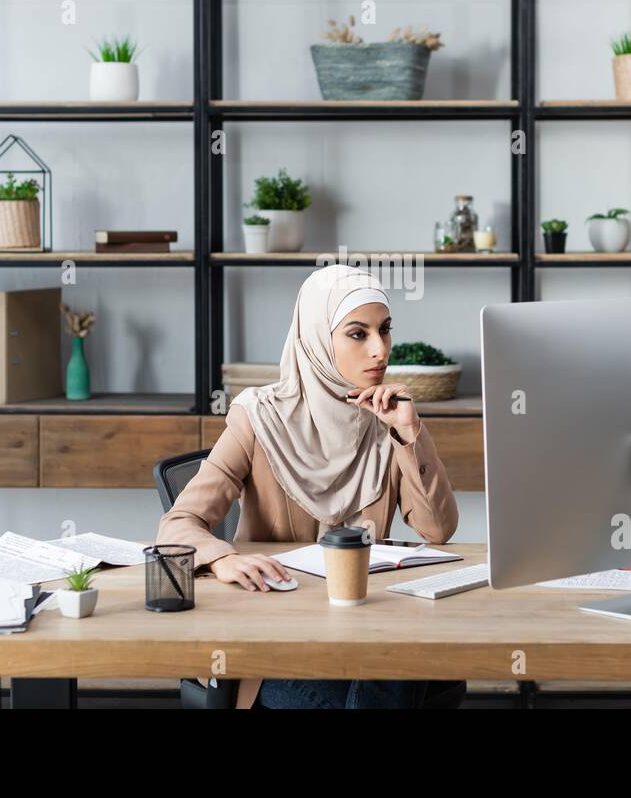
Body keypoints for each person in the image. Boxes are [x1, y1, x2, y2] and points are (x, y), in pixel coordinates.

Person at [156, 264, 460, 709]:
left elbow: (437, 531)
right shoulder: (259, 418)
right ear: (318, 338)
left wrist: (410, 434)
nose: (380, 350)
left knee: (398, 664)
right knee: (391, 683)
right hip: (277, 643)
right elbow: (178, 525)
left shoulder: (387, 420)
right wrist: (221, 559)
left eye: (385, 330)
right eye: (358, 334)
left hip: (368, 629)